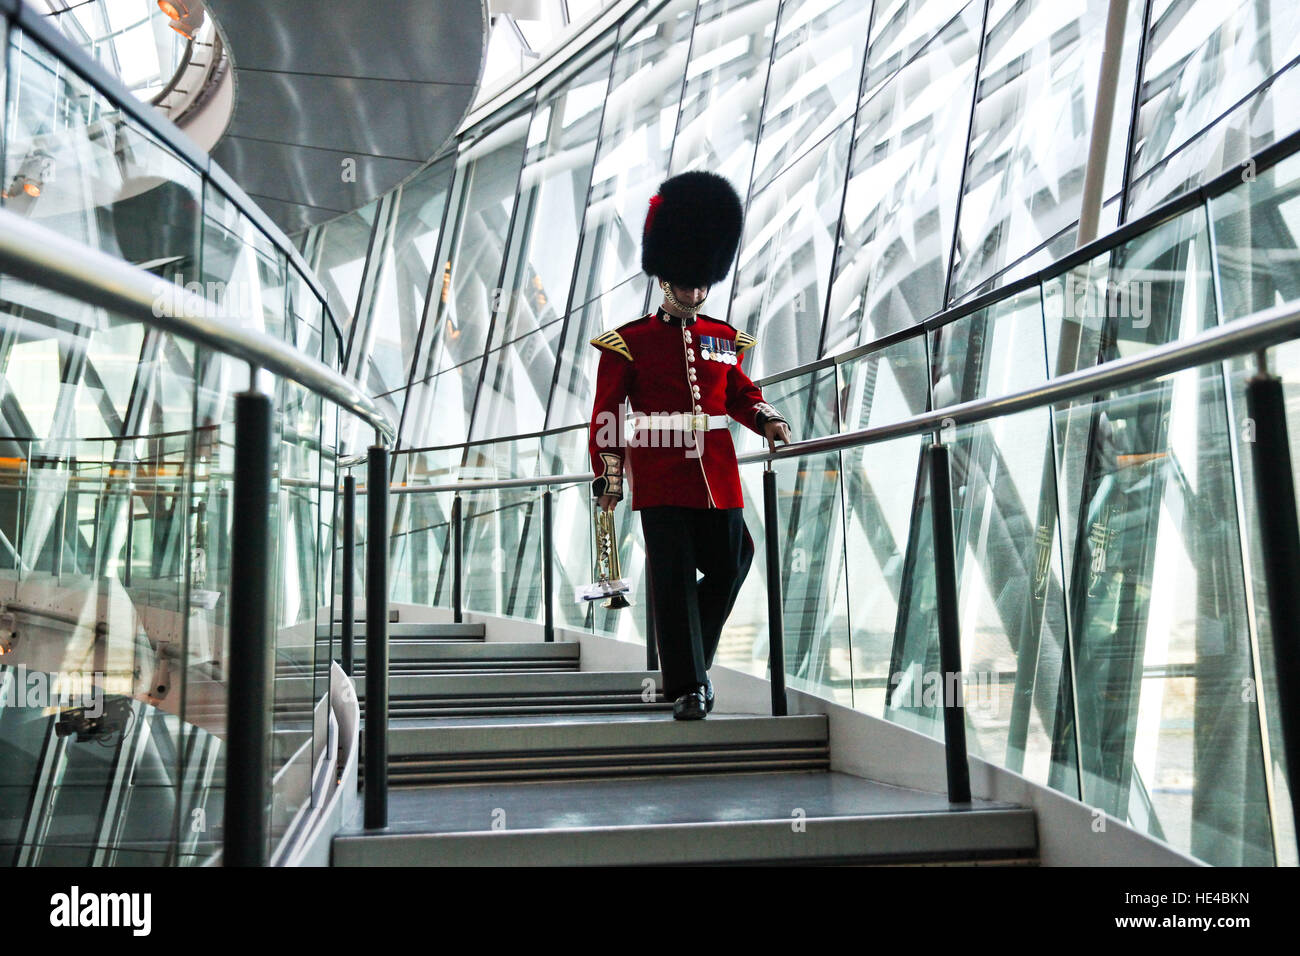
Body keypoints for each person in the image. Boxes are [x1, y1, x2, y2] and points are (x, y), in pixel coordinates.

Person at [587, 170, 792, 720]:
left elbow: (739, 393)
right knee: (673, 580)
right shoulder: (629, 343)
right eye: (687, 283)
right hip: (658, 475)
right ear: (664, 278)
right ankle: (691, 687)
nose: (696, 292)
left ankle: (687, 657)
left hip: (716, 474)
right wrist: (609, 473)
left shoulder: (724, 337)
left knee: (734, 561)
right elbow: (607, 412)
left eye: (702, 284)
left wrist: (767, 419)